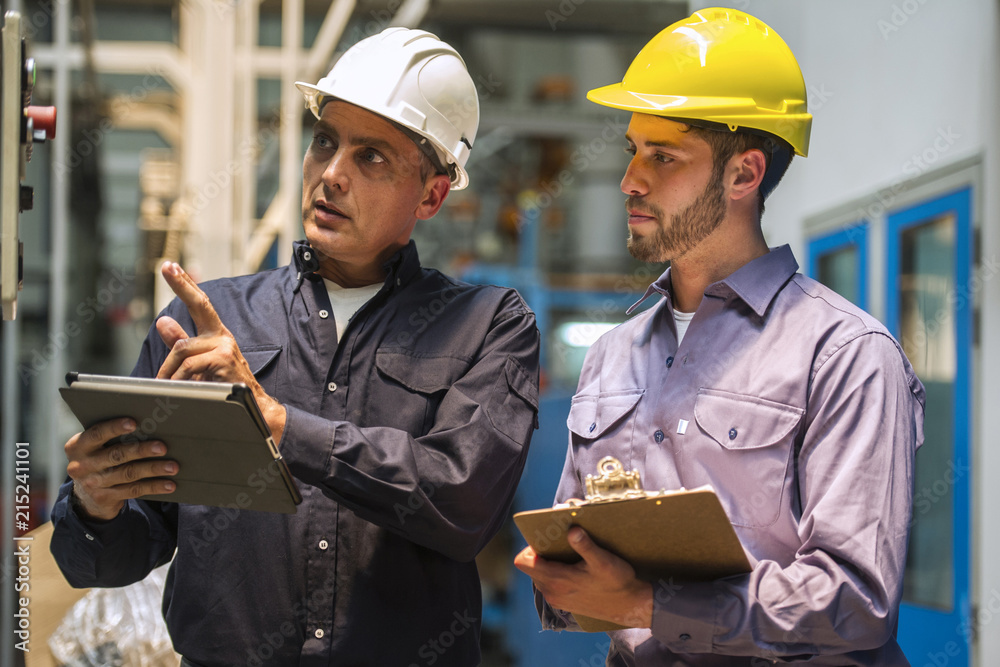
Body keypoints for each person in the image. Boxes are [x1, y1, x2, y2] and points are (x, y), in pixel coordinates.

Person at [50, 28, 540, 666]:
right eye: (325, 142)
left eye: (372, 157)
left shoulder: (488, 325)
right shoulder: (208, 321)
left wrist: (276, 422)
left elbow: (460, 502)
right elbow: (118, 555)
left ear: (432, 194)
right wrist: (97, 507)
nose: (331, 173)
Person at [514, 7, 924, 665]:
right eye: (632, 151)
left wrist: (650, 603)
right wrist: (564, 577)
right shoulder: (612, 357)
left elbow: (856, 601)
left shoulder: (846, 355)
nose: (630, 181)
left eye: (663, 156)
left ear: (744, 174)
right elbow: (576, 572)